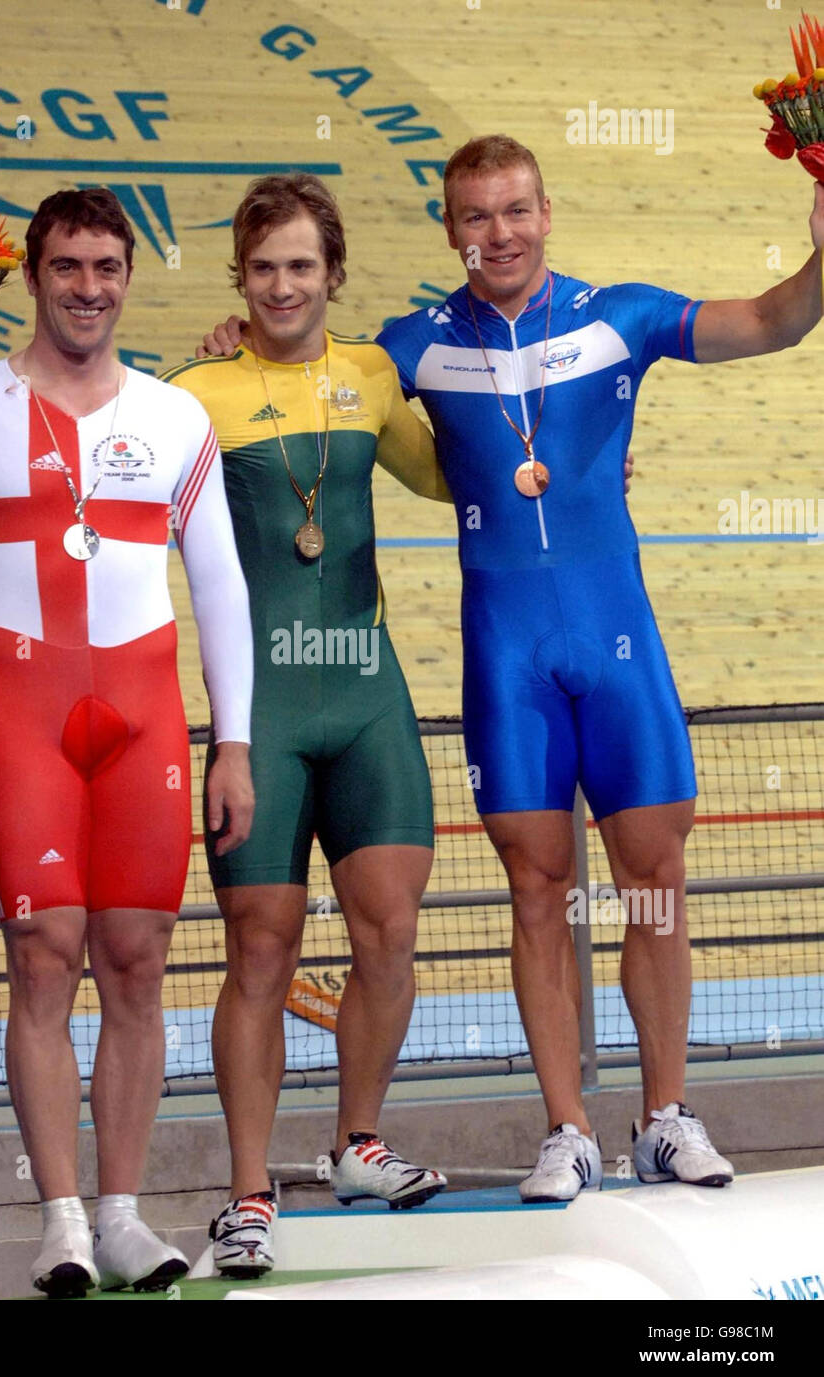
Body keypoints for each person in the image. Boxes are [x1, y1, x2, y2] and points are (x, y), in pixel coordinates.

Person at [201, 136, 823, 1203]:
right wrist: (235, 341)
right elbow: (304, 370)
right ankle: (567, 1128)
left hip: (616, 642)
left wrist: (818, 260)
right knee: (537, 889)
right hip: (507, 655)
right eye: (476, 217)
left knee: (654, 881)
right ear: (448, 228)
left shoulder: (617, 314)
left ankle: (666, 1115)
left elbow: (768, 322)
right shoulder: (405, 348)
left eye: (515, 211)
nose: (498, 234)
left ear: (547, 211)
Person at [0, 187, 255, 1296]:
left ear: (128, 276)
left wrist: (232, 741)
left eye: (106, 267)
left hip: (145, 722)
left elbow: (221, 580)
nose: (87, 288)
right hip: (24, 718)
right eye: (66, 268)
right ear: (32, 278)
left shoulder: (176, 417)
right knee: (43, 960)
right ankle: (60, 1223)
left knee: (138, 963)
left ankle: (125, 1213)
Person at [164, 175, 457, 1277]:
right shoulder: (193, 391)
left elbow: (447, 474)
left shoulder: (373, 377)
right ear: (239, 280)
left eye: (301, 265)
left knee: (388, 932)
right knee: (260, 951)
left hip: (366, 692)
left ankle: (356, 1144)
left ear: (333, 275)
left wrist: (563, 469)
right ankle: (246, 1194)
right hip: (263, 711)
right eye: (262, 267)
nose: (282, 284)